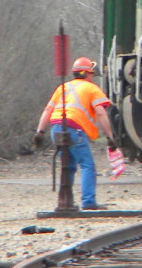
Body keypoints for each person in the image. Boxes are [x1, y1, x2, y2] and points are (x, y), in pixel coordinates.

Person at [33, 57, 116, 210]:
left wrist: (40, 131)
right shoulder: (92, 88)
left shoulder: (62, 88)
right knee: (87, 165)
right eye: (91, 74)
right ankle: (88, 202)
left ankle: (66, 202)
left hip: (56, 128)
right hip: (74, 129)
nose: (92, 77)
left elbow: (48, 110)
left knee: (68, 165)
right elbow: (101, 113)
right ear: (87, 74)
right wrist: (110, 136)